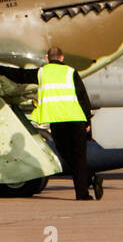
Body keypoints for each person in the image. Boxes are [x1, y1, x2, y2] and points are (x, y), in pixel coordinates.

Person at [30, 46, 100, 200]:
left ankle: (85, 187)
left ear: (47, 59)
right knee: (79, 157)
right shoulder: (71, 72)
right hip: (76, 120)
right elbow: (83, 96)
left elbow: (20, 75)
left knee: (64, 152)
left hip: (57, 120)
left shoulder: (41, 72)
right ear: (62, 58)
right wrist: (88, 121)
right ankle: (85, 186)